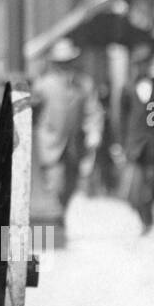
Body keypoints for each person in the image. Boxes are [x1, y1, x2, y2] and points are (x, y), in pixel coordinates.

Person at [32, 38, 103, 244]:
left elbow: (94, 111)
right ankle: (55, 229)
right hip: (50, 146)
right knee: (56, 185)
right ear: (55, 64)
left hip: (75, 147)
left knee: (70, 187)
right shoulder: (44, 85)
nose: (66, 67)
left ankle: (60, 220)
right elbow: (33, 112)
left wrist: (94, 133)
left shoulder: (85, 85)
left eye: (69, 62)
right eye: (62, 63)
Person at [118, 57, 154, 233]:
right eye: (139, 64)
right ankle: (145, 217)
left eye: (145, 64)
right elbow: (122, 118)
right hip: (135, 145)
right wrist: (120, 143)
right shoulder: (128, 89)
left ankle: (149, 210)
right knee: (135, 189)